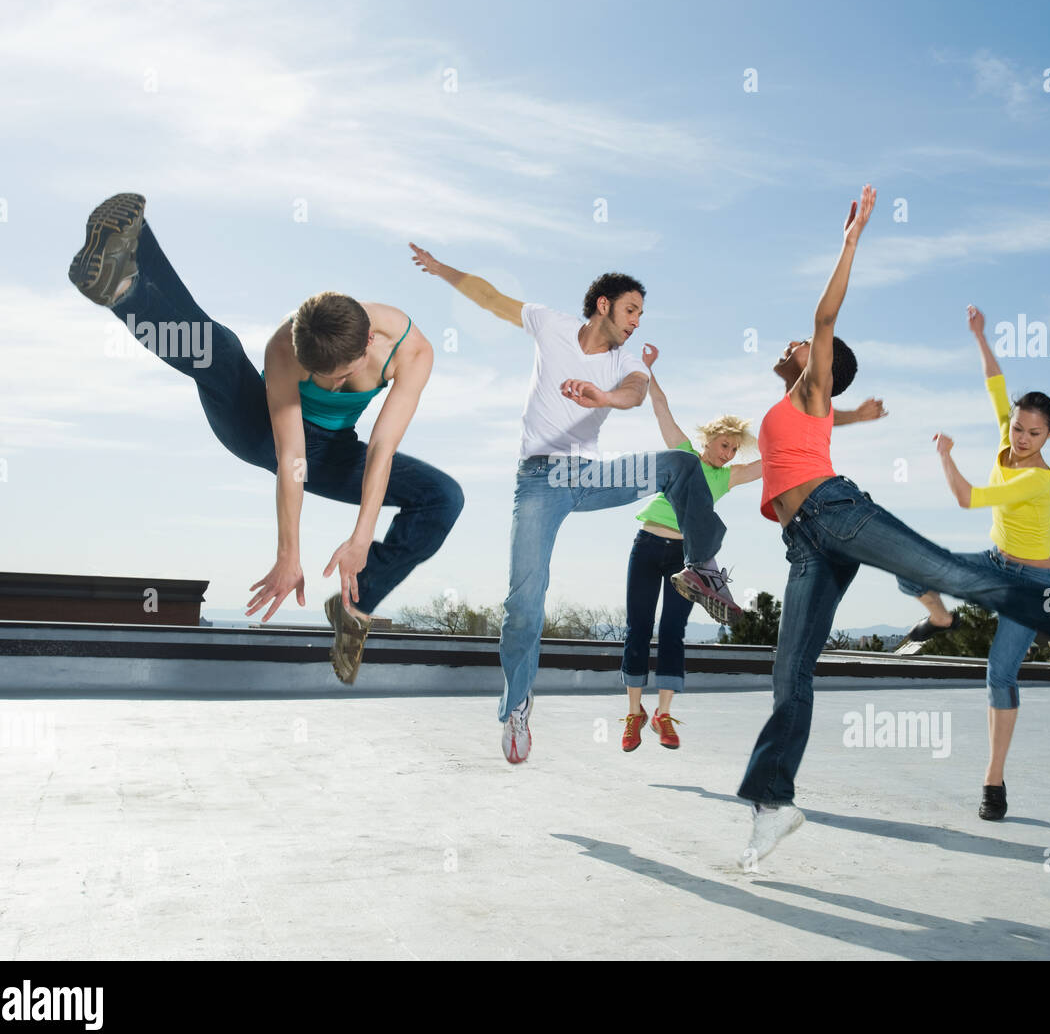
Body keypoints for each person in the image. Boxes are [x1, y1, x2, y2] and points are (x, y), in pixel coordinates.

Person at [737, 185, 1050, 868]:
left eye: (804, 347)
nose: (795, 343)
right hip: (806, 542)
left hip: (837, 511)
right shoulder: (802, 409)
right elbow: (822, 405)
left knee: (944, 571)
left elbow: (823, 315)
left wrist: (851, 238)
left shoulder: (810, 391)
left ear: (819, 369)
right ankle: (772, 803)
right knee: (790, 671)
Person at [68, 193, 463, 684]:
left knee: (443, 497)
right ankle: (124, 286)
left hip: (338, 452)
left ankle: (352, 609)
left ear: (367, 345)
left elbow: (382, 449)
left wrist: (361, 539)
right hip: (257, 429)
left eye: (338, 379)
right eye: (317, 376)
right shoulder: (285, 343)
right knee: (218, 352)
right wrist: (288, 555)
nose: (329, 387)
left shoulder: (413, 351)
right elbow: (291, 458)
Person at [408, 243, 741, 764]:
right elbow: (490, 297)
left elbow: (634, 390)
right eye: (631, 310)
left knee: (680, 465)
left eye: (641, 315)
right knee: (524, 603)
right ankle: (517, 705)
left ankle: (702, 567)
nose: (636, 323)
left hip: (588, 475)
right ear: (604, 305)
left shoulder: (626, 363)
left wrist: (604, 397)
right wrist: (441, 268)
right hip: (539, 480)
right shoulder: (550, 323)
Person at [620, 344, 886, 753]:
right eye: (722, 445)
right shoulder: (683, 456)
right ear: (708, 440)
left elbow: (780, 448)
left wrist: (840, 419)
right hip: (646, 545)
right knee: (638, 629)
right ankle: (635, 713)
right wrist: (649, 369)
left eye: (732, 450)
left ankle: (663, 713)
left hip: (685, 559)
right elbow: (661, 407)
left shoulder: (727, 479)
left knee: (672, 631)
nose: (727, 454)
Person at [894, 304, 1050, 821]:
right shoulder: (1006, 436)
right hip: (993, 562)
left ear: (1049, 435)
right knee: (910, 566)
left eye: (1034, 434)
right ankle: (943, 618)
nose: (1021, 439)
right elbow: (996, 381)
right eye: (1017, 428)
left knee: (998, 674)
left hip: (1031, 581)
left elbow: (967, 498)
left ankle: (994, 780)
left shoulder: (1039, 478)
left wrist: (945, 457)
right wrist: (980, 336)